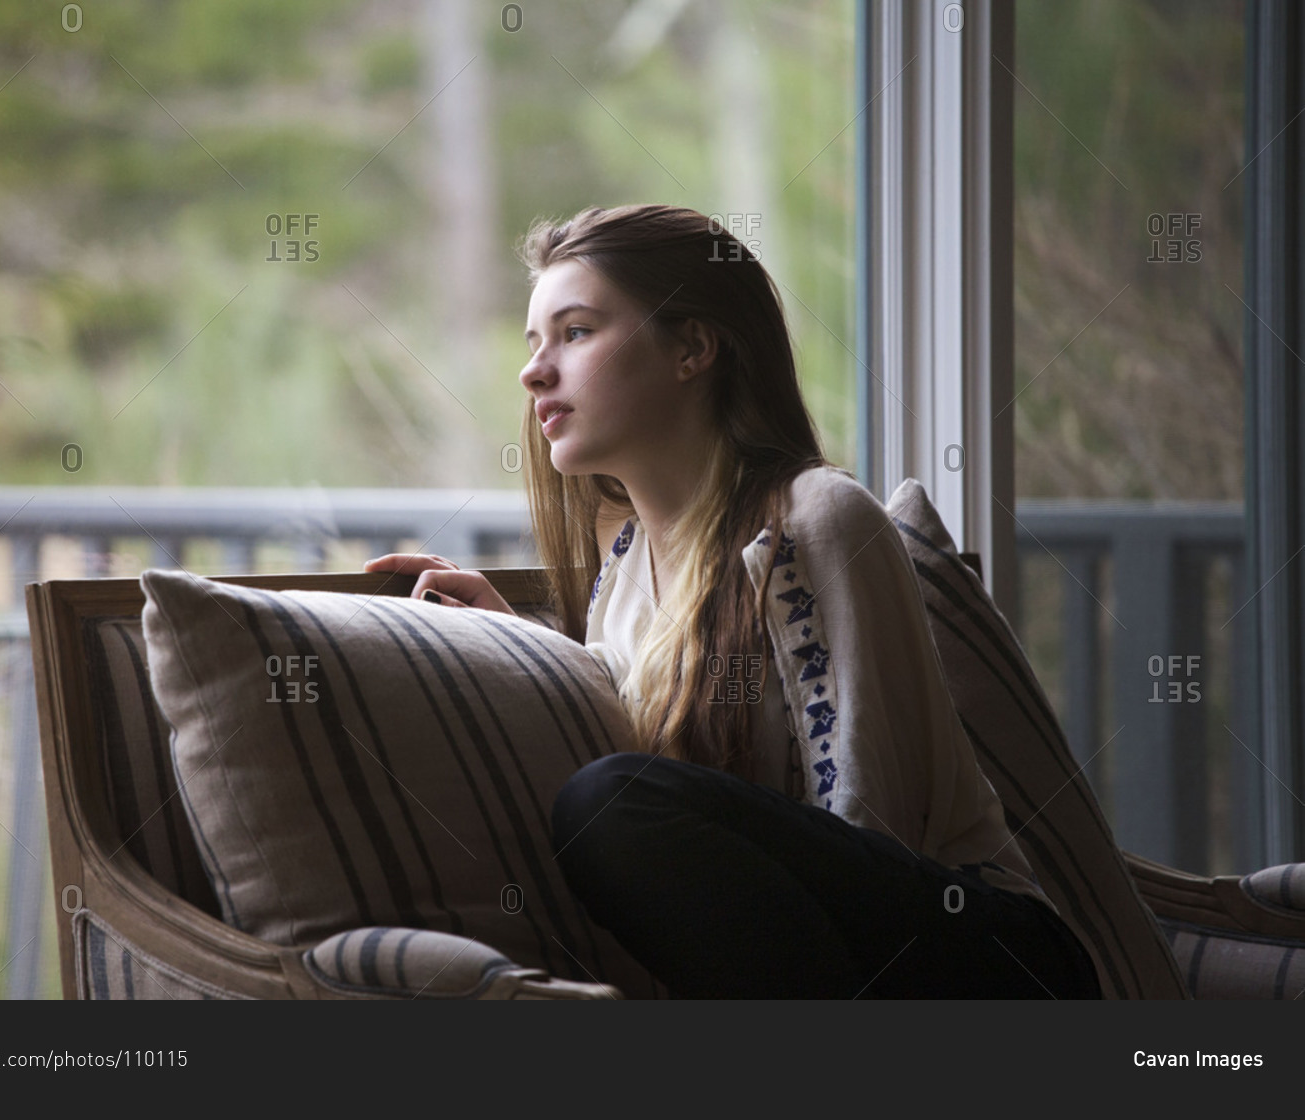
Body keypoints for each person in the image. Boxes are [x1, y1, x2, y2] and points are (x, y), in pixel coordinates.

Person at [366, 203, 1100, 999]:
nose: (534, 372)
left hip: (989, 957)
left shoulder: (818, 517)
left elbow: (871, 821)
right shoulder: (621, 578)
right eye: (534, 344)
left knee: (609, 804)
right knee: (610, 805)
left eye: (575, 333)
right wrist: (513, 644)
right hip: (827, 961)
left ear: (692, 347)